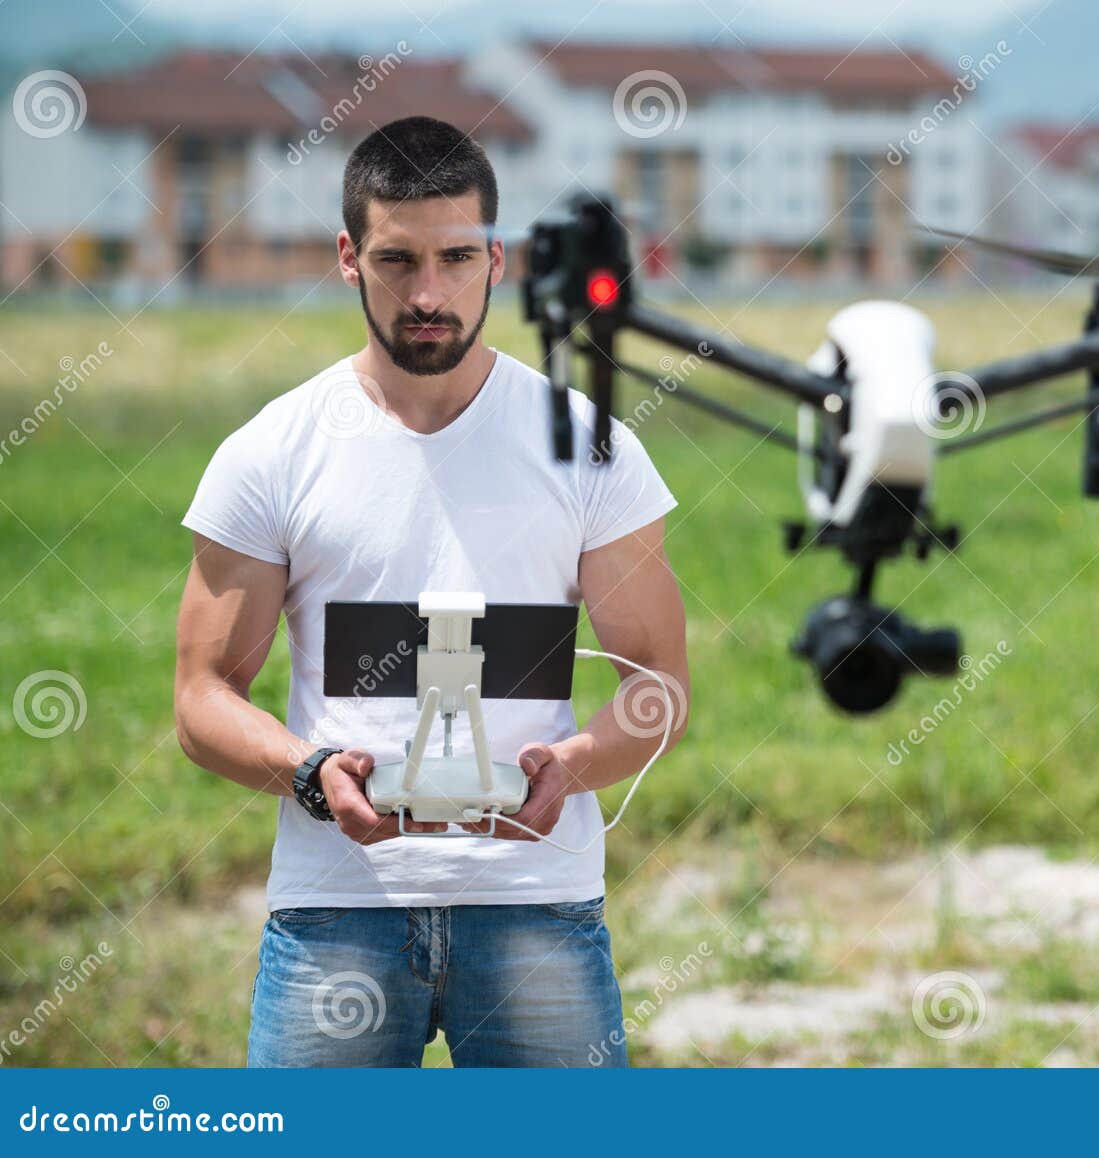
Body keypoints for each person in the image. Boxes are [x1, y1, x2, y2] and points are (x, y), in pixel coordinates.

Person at [172, 116, 689, 1067]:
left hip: (536, 902)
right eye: (396, 260)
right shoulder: (272, 451)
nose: (427, 294)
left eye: (456, 258)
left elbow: (659, 687)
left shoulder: (590, 446)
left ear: (498, 259)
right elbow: (202, 699)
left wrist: (572, 765)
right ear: (347, 258)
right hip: (338, 907)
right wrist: (310, 775)